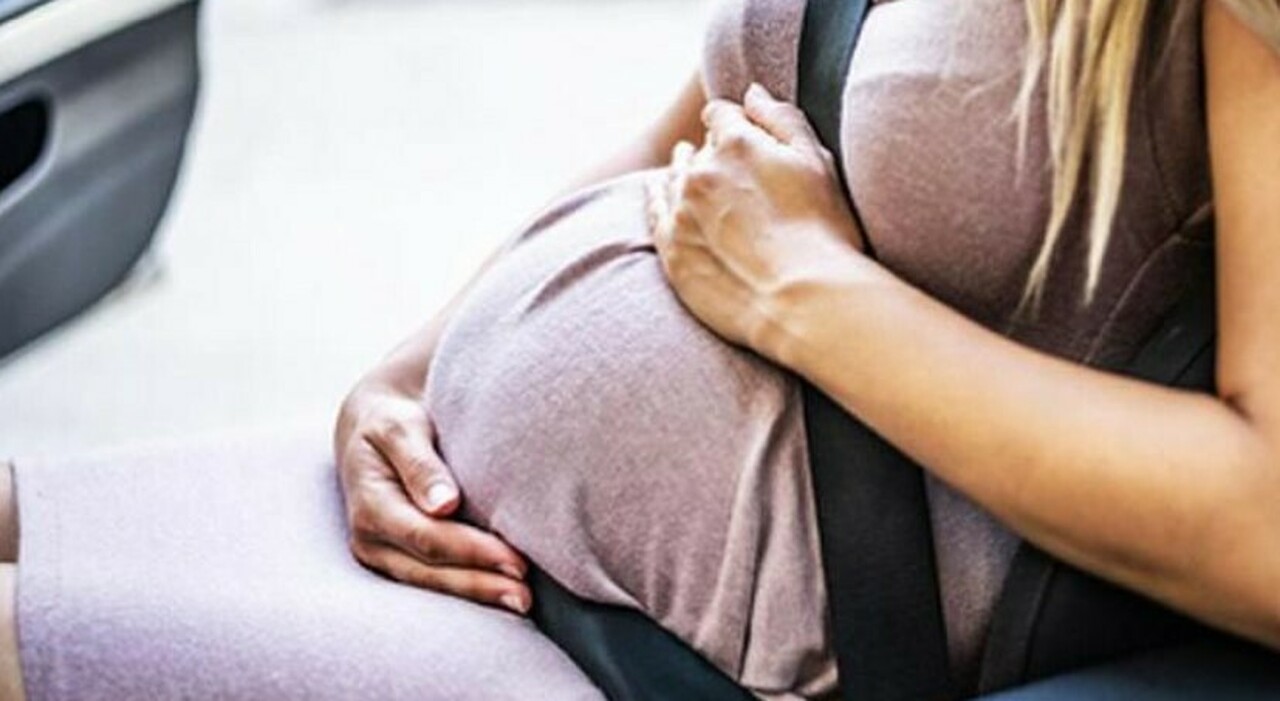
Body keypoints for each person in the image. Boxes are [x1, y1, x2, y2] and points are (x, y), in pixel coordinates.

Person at [2, 0, 1277, 699]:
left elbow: (1263, 520)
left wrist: (805, 293)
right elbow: (701, 140)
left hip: (664, 656)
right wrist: (402, 374)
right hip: (489, 543)